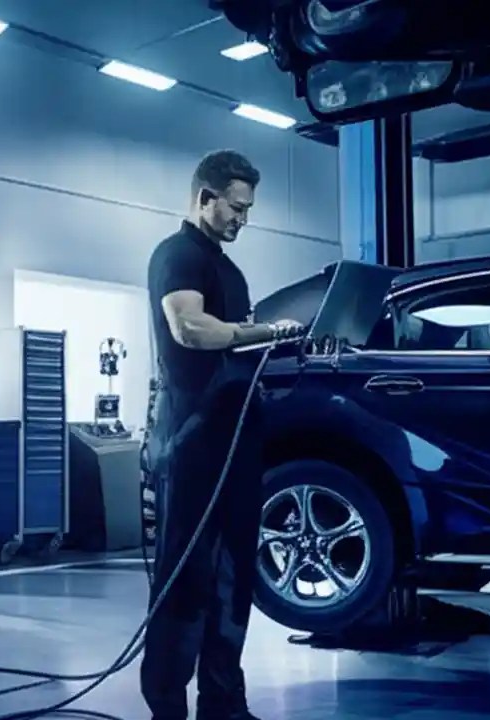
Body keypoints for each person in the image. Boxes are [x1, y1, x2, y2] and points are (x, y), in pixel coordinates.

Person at [140, 149, 303, 720]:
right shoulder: (178, 255)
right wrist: (262, 331)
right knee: (185, 578)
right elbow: (189, 328)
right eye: (236, 207)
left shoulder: (230, 271)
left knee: (234, 578)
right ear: (204, 198)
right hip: (192, 441)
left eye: (248, 209)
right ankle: (167, 708)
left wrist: (283, 343)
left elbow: (236, 346)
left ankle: (224, 704)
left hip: (236, 441)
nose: (243, 219)